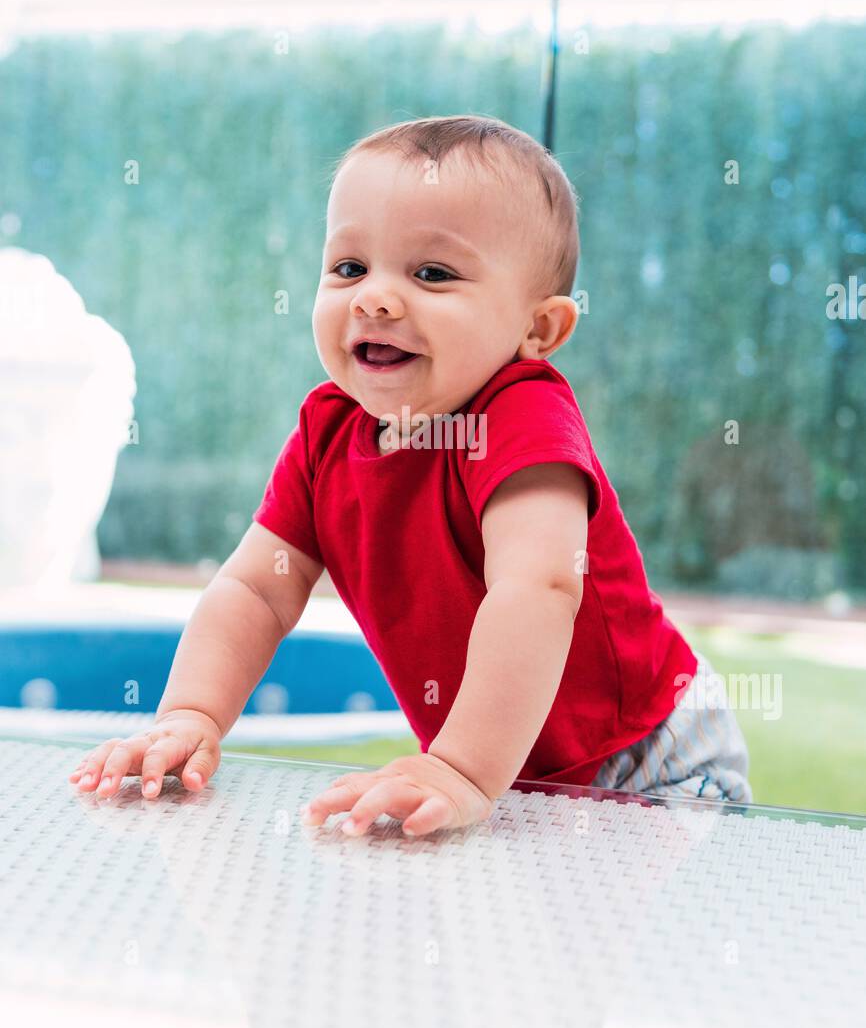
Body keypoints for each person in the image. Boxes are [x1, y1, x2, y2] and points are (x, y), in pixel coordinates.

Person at [70, 114, 752, 833]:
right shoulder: (327, 431)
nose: (376, 298)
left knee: (629, 940)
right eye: (349, 268)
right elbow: (256, 589)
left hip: (646, 759)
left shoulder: (521, 416)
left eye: (432, 274)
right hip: (509, 765)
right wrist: (191, 712)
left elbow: (540, 586)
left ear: (539, 332)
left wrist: (459, 767)